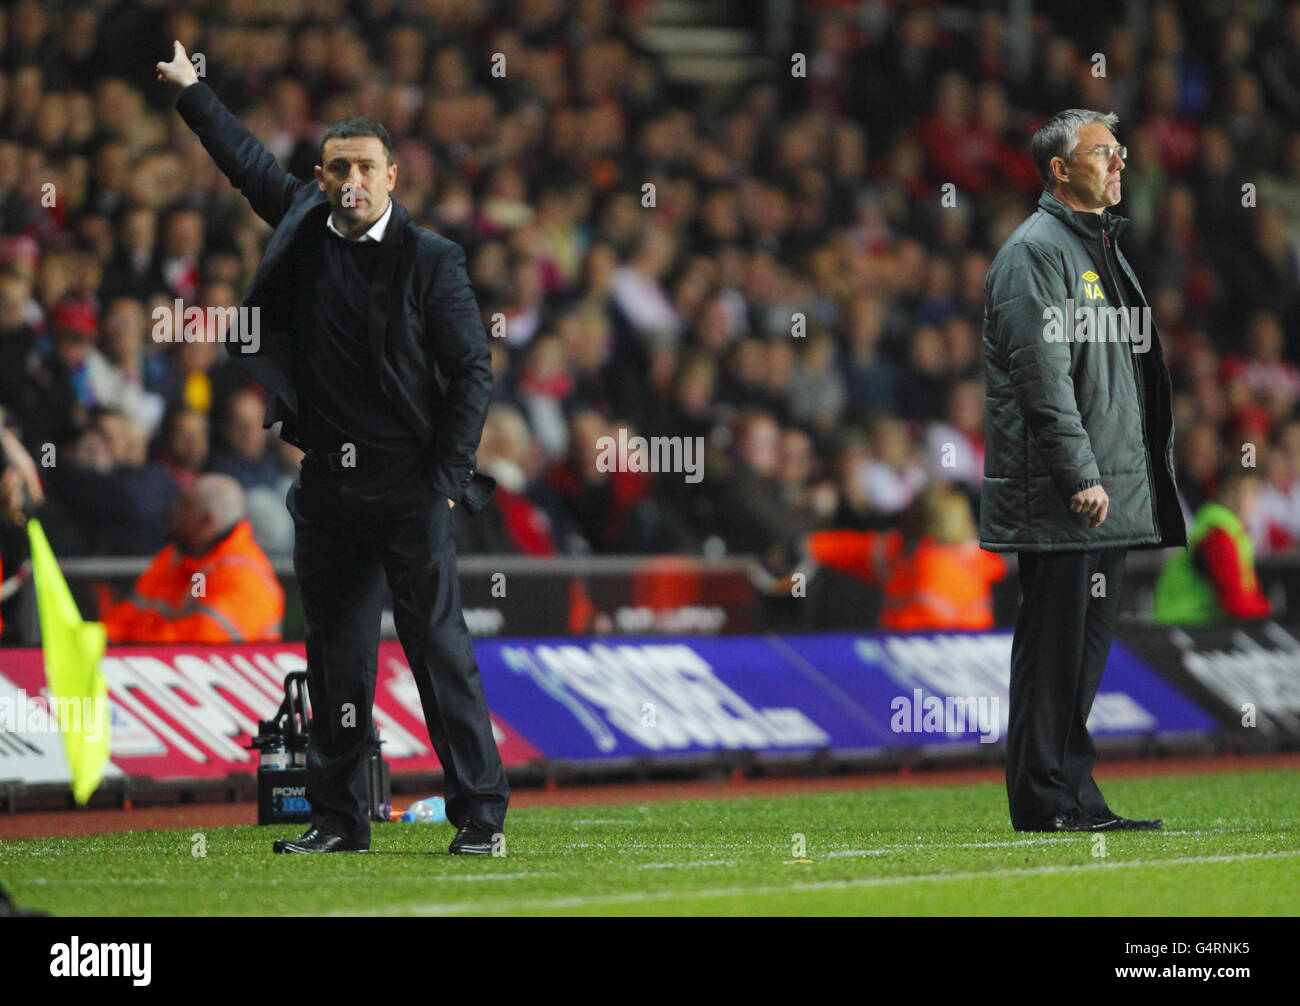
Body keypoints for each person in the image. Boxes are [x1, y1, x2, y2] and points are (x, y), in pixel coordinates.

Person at [158, 41, 507, 855]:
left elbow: (472, 371)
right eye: (337, 166)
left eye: (365, 167)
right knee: (337, 662)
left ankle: (481, 817)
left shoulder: (433, 260)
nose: (350, 180)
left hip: (411, 484)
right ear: (320, 178)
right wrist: (192, 92)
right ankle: (340, 821)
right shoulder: (306, 227)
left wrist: (447, 480)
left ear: (392, 178)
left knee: (439, 654)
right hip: (329, 489)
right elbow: (246, 165)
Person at [981, 109, 1187, 832]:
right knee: (1053, 652)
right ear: (1060, 170)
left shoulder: (1101, 247)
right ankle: (1043, 802)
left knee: (1084, 659)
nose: (1120, 163)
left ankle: (1074, 795)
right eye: (1104, 153)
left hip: (1110, 494)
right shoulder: (1036, 253)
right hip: (1068, 496)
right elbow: (1042, 379)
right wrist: (1079, 474)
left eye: (1121, 151)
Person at [99, 474, 284, 644]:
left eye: (186, 505)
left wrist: (132, 646)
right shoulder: (179, 558)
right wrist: (100, 638)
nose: (175, 510)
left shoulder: (245, 578)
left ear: (207, 522)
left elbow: (200, 640)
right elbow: (129, 615)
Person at [800, 482, 1007, 631]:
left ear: (918, 519)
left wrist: (807, 545)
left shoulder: (920, 558)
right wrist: (811, 545)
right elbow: (860, 549)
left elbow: (858, 550)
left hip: (913, 659)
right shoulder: (980, 560)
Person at [1152, 464, 1271, 625]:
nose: (1243, 500)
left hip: (1193, 623)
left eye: (1251, 492)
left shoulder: (1234, 533)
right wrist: (1273, 617)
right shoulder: (1218, 534)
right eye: (1235, 490)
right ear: (1219, 493)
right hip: (1183, 623)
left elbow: (1247, 593)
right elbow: (1233, 601)